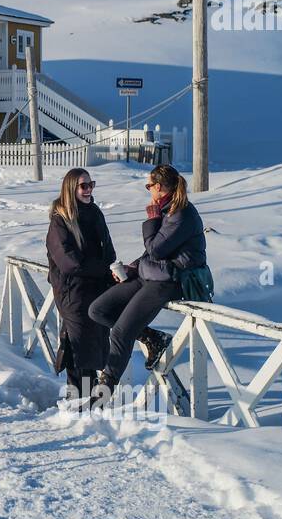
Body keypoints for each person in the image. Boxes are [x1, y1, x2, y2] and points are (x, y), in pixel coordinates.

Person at [87, 164, 208, 401]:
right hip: (151, 275)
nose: (148, 189)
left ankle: (102, 395)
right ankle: (152, 337)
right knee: (98, 310)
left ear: (159, 187)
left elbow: (157, 248)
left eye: (149, 185)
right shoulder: (167, 210)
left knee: (122, 332)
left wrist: (151, 220)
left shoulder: (182, 214)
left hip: (169, 282)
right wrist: (133, 267)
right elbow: (152, 253)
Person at [46, 168, 116, 398]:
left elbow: (108, 248)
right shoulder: (60, 220)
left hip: (96, 287)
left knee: (95, 340)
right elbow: (68, 262)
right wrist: (100, 268)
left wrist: (111, 268)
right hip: (71, 290)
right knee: (77, 344)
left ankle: (89, 399)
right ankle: (76, 399)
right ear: (71, 188)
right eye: (83, 186)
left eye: (91, 184)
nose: (89, 190)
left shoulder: (94, 212)